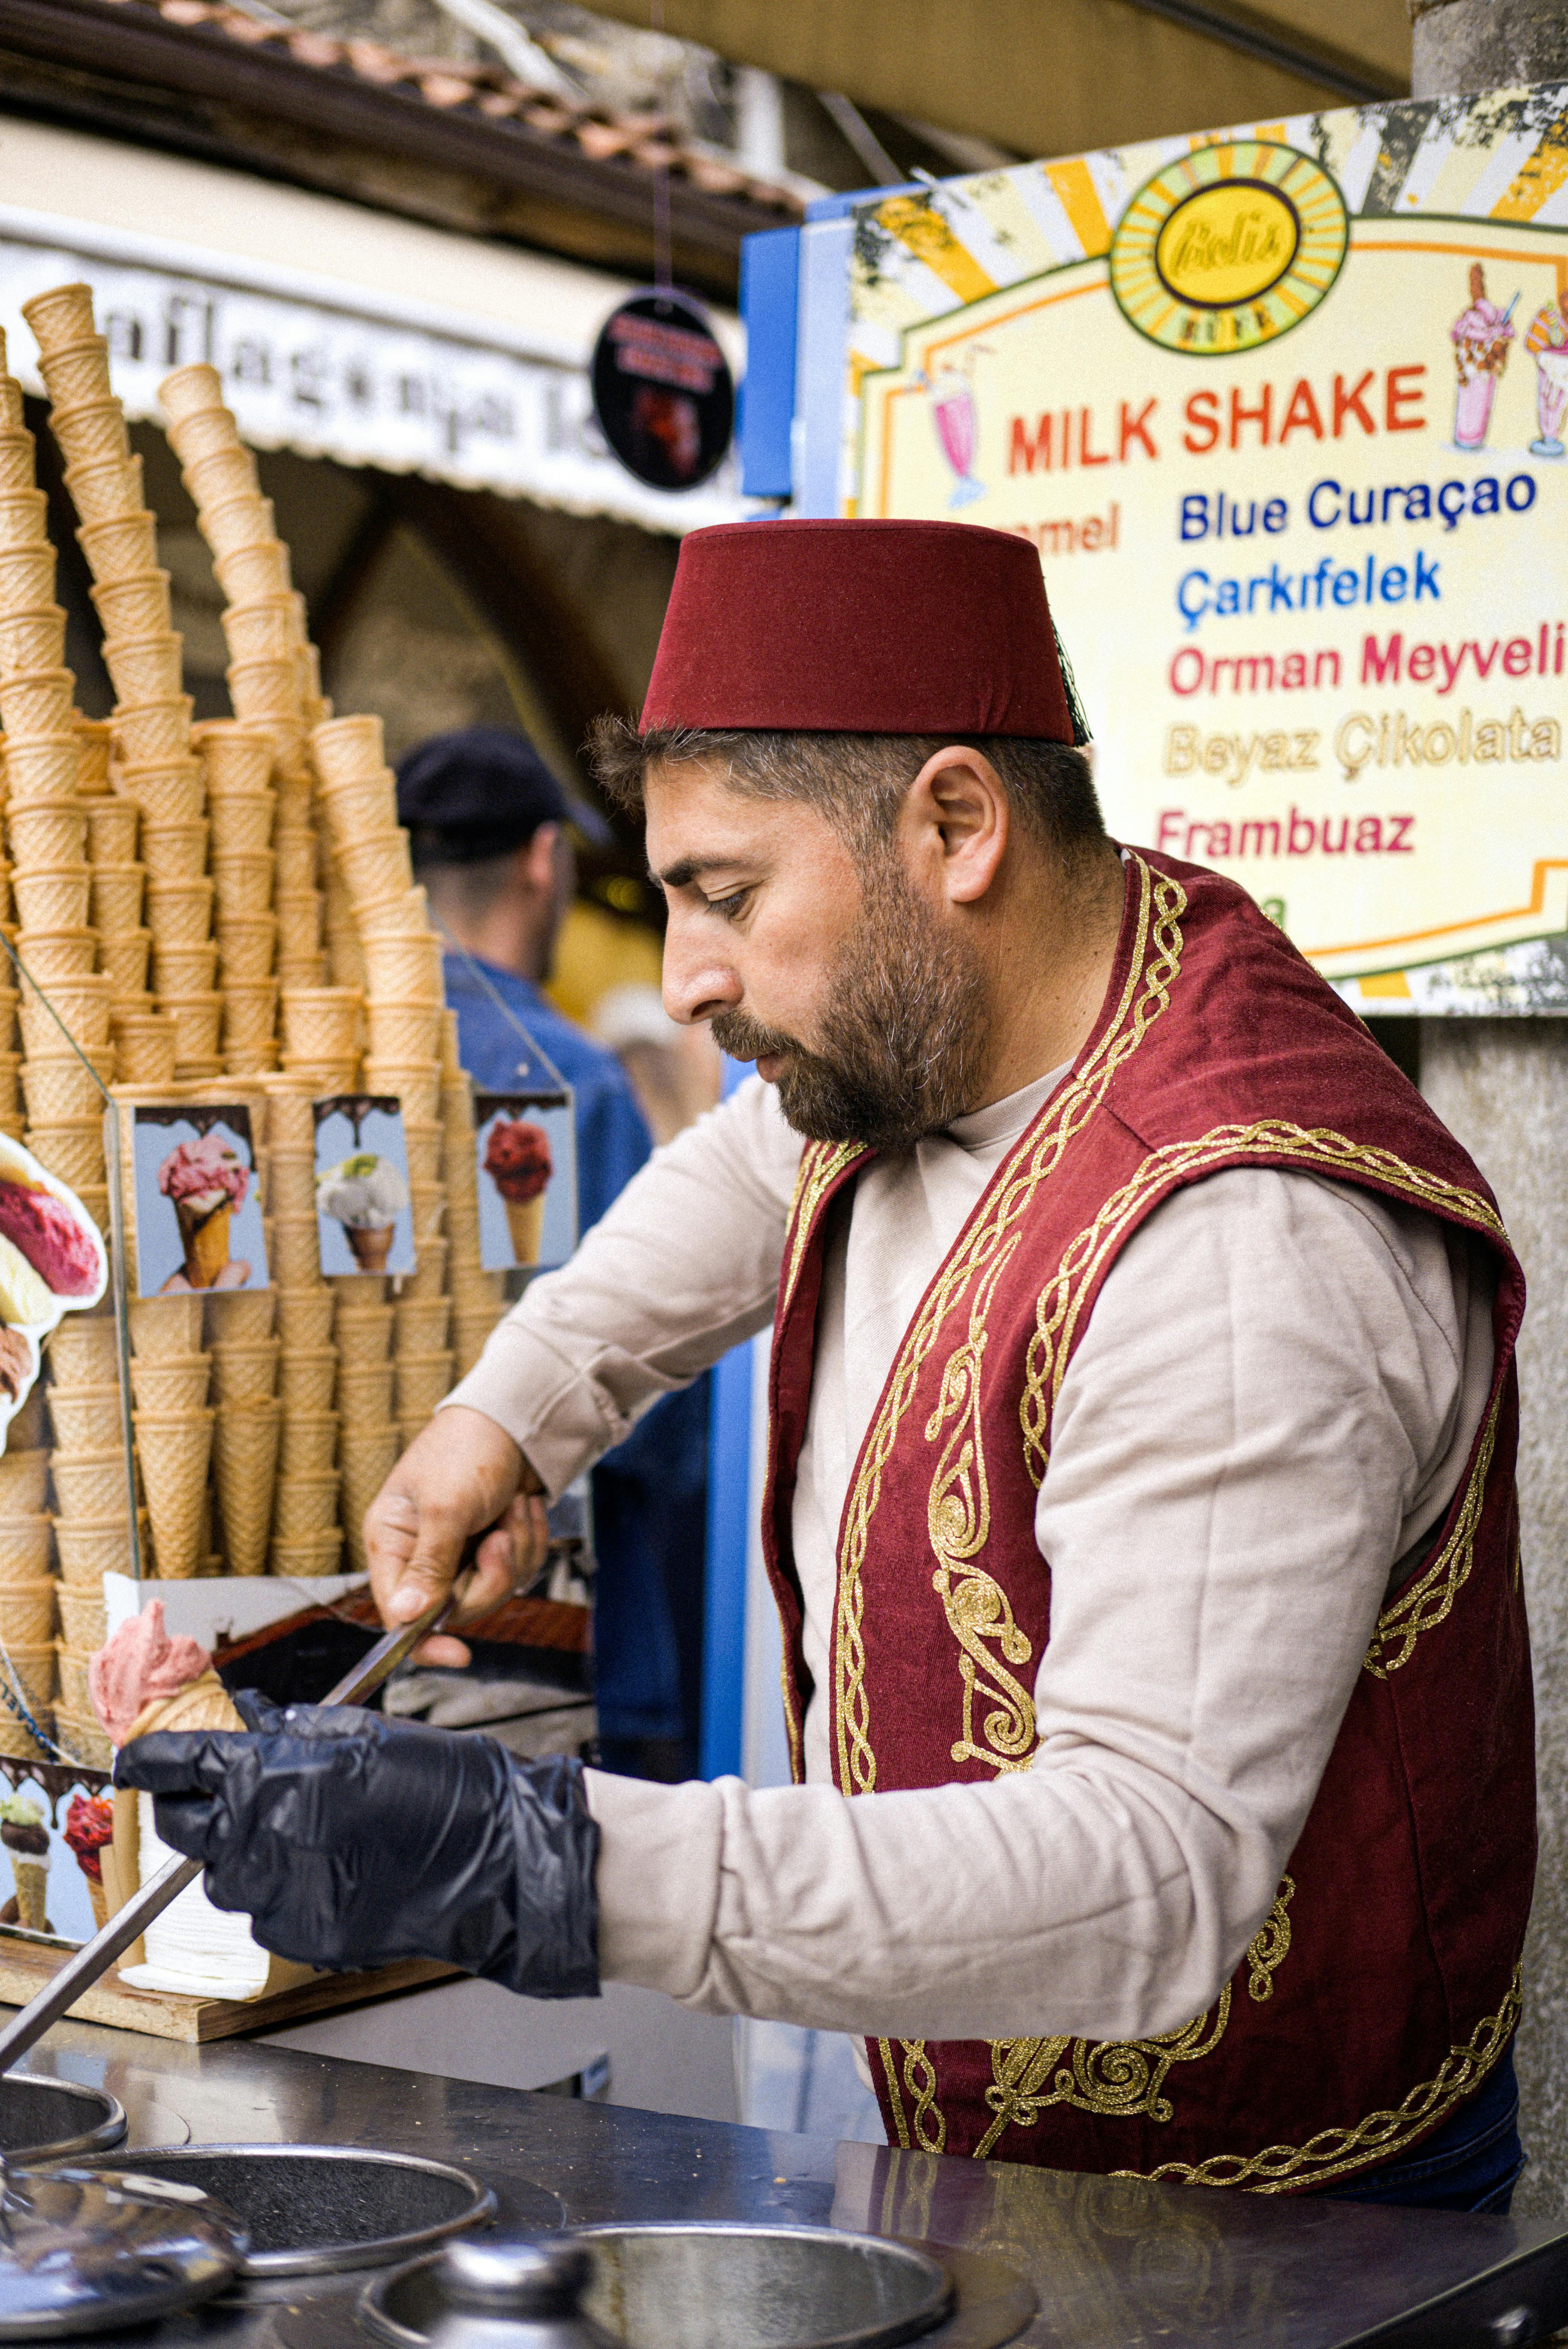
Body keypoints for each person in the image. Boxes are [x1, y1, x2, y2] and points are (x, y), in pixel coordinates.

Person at [123, 521, 1534, 2208]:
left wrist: (546, 1856)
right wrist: (511, 1410)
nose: (683, 975)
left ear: (955, 824)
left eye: (725, 893)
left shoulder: (1237, 1242)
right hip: (976, 2130)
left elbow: (1146, 1869)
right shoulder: (947, 1019)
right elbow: (745, 1167)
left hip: (1279, 2207)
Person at [395, 725, 708, 1775]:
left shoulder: (323, 1054)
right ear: (543, 859)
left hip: (343, 1620)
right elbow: (665, 1423)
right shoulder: (576, 1082)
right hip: (571, 1653)